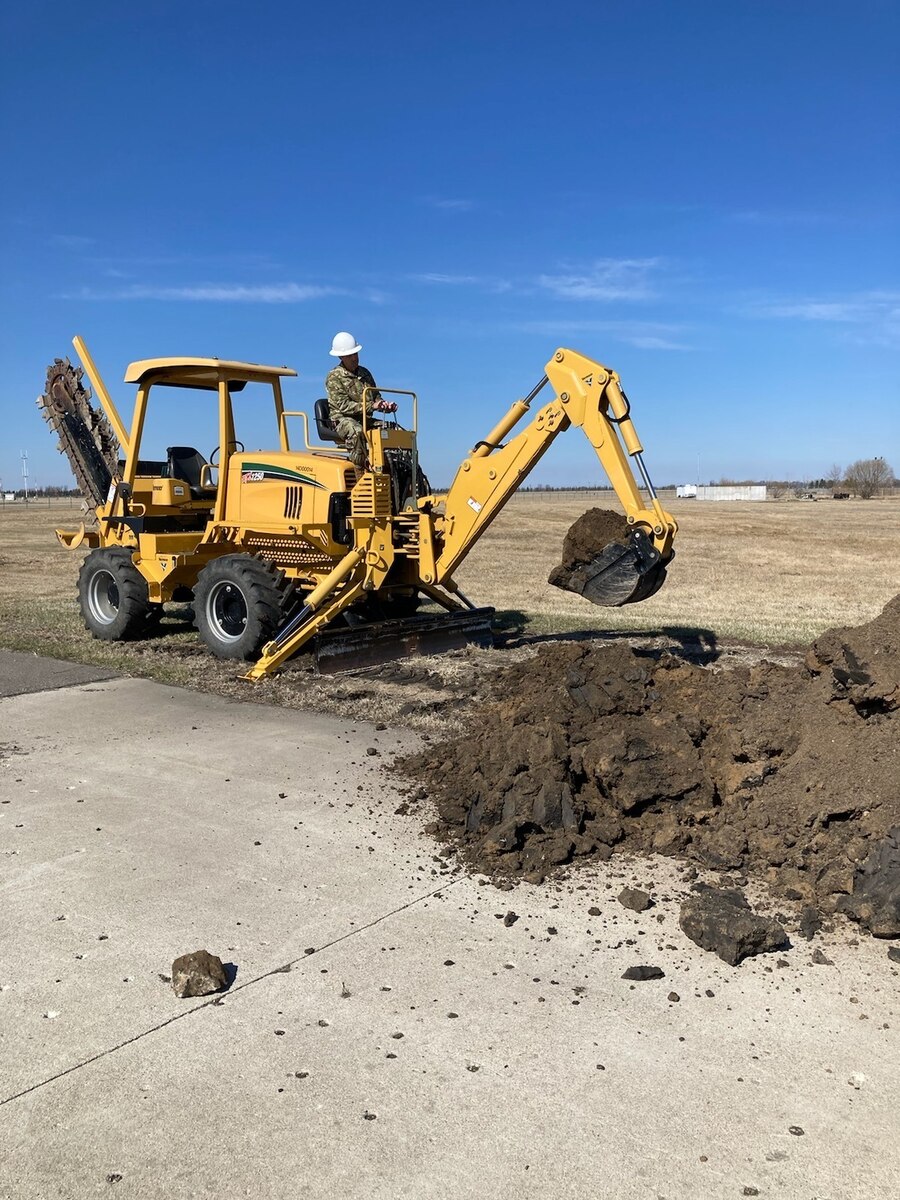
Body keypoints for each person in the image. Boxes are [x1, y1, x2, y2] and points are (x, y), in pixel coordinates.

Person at [325, 332, 396, 470]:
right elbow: (343, 406)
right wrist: (372, 406)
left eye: (355, 354)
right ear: (340, 356)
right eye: (350, 355)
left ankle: (394, 471)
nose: (354, 358)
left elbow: (375, 396)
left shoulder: (365, 373)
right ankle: (361, 474)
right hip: (342, 419)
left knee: (392, 429)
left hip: (364, 418)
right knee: (357, 432)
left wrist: (384, 405)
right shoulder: (334, 377)